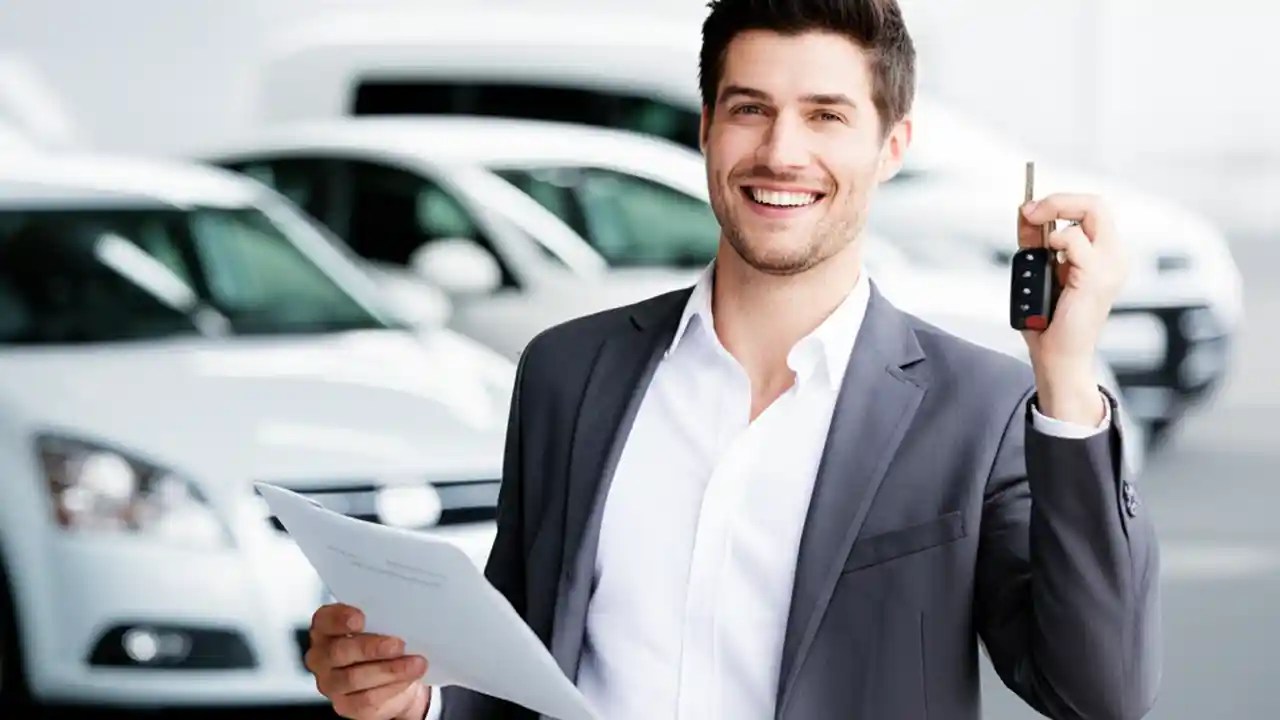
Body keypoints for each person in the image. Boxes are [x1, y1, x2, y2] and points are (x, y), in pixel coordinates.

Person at [303, 0, 1162, 718]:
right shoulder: (568, 372)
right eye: (750, 108)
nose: (781, 151)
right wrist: (410, 700)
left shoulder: (983, 408)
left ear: (891, 147)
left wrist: (1067, 373)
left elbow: (1100, 691)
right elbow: (517, 670)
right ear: (709, 127)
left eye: (826, 115)